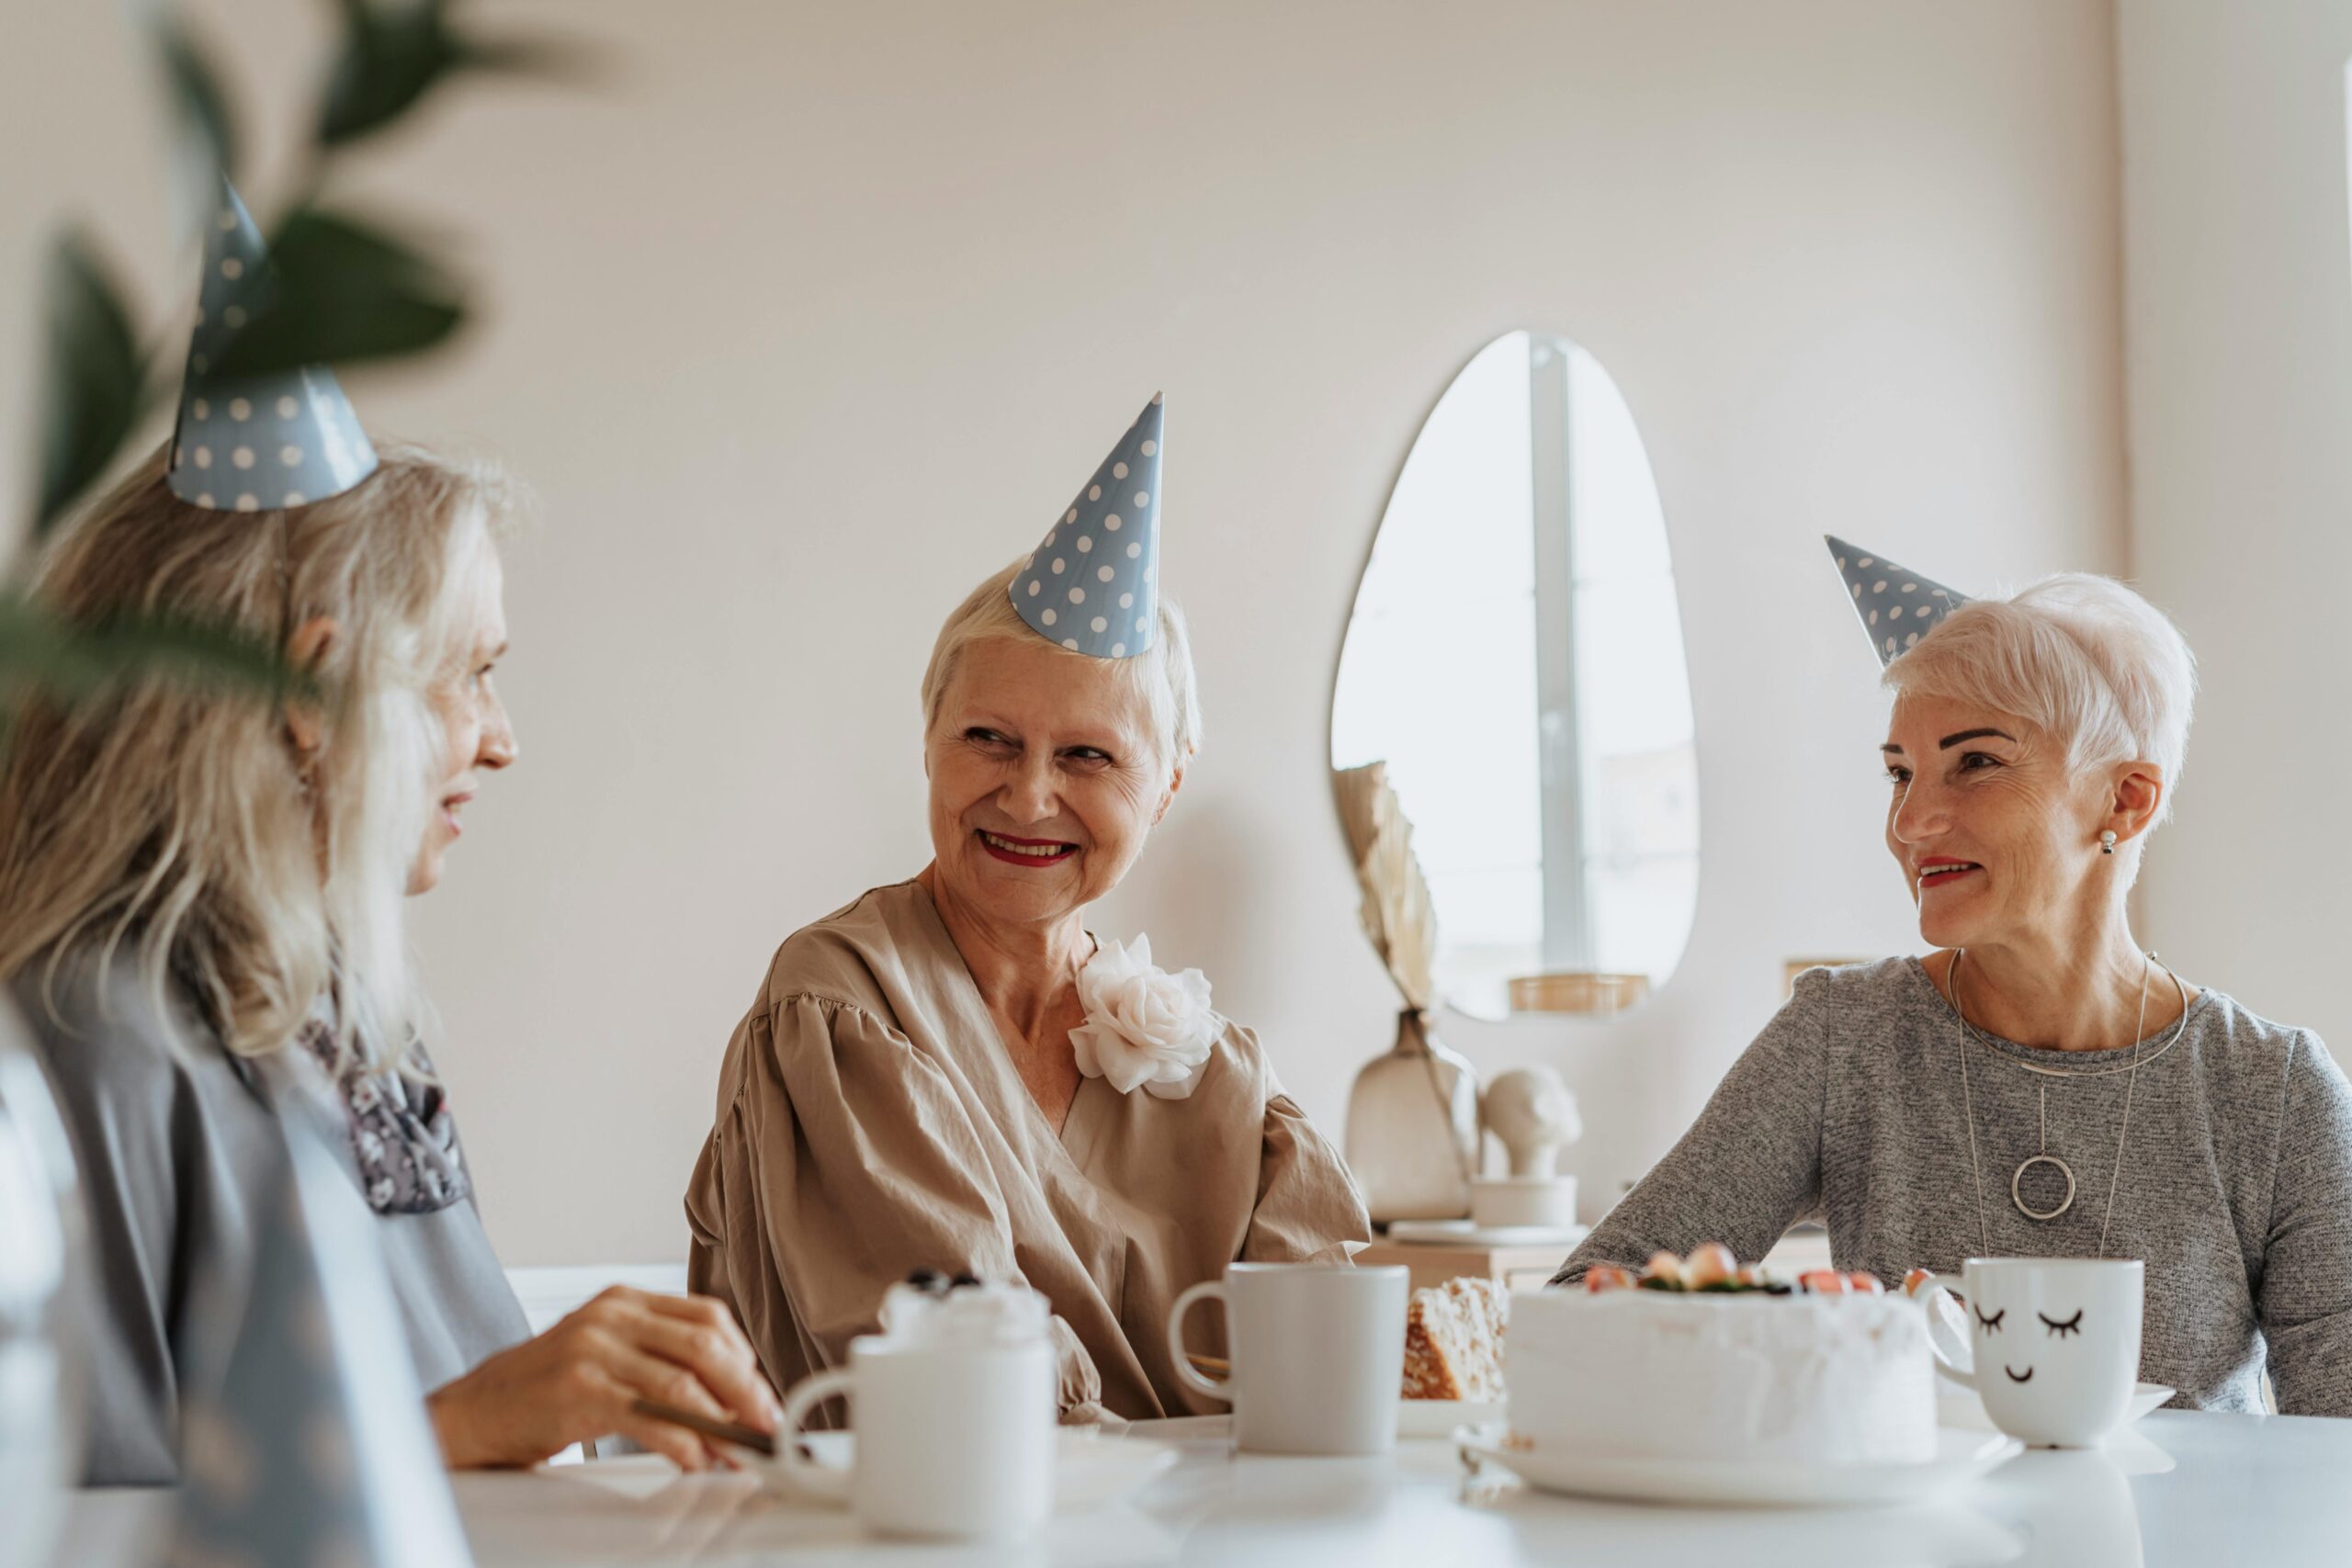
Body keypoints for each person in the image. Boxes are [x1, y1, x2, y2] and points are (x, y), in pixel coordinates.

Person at [4, 182, 778, 1483]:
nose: (500, 734)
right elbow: (63, 1515)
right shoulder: (94, 1034)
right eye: (465, 672)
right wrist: (465, 1423)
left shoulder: (358, 1017)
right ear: (310, 694)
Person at [684, 396, 1370, 1421]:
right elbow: (968, 1385)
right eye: (988, 740)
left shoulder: (1219, 1079)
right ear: (928, 743)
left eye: (1087, 755)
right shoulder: (838, 1004)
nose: (1029, 795)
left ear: (1167, 786)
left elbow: (1336, 1360)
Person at [1552, 537, 2352, 1416]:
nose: (1911, 820)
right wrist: (1792, 1336)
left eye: (1975, 761)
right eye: (1900, 773)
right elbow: (1585, 1301)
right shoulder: (1842, 1034)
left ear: (2126, 799)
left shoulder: (2273, 1091)